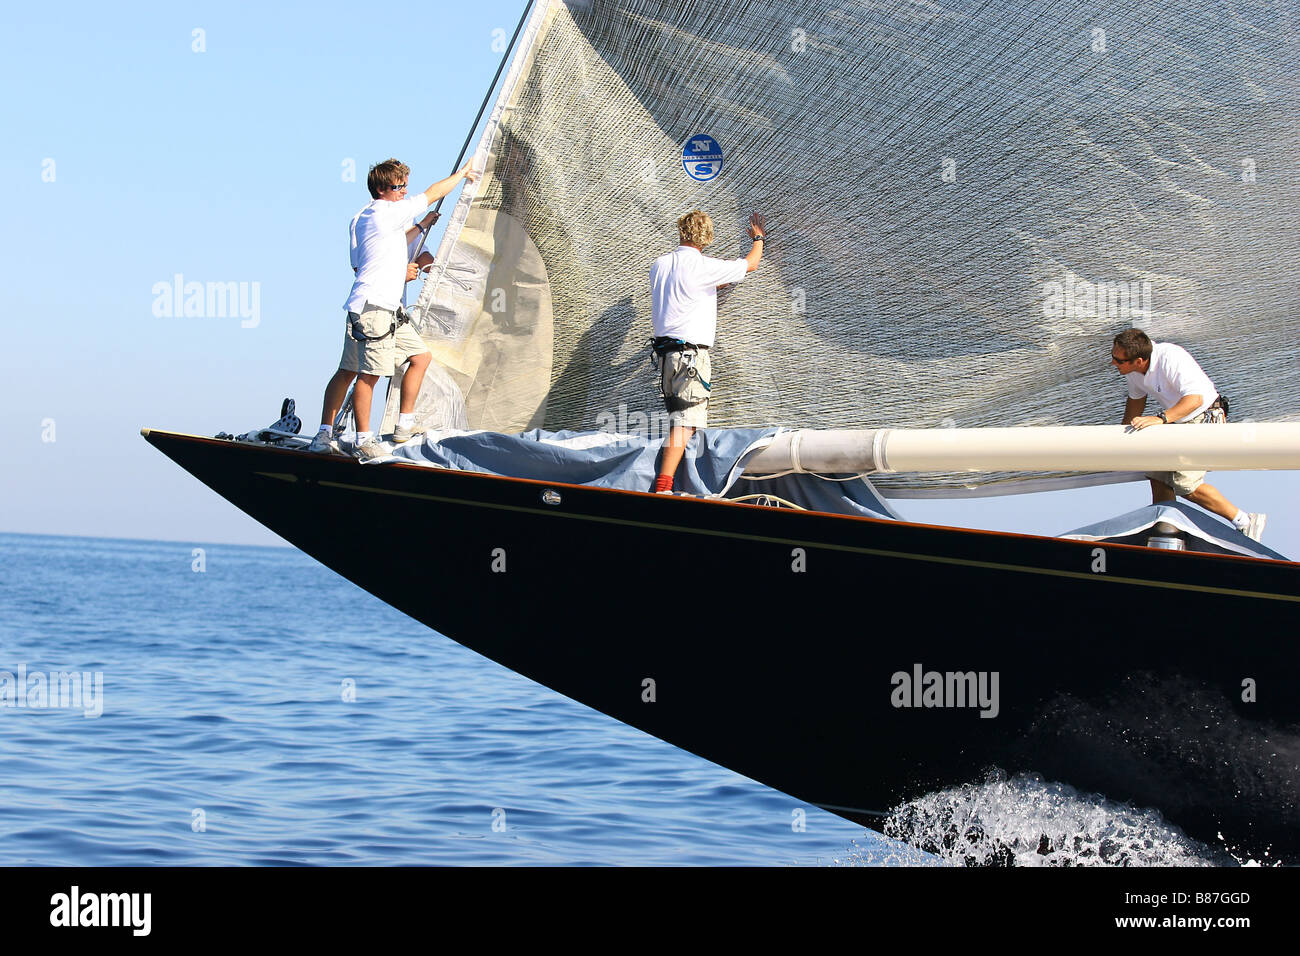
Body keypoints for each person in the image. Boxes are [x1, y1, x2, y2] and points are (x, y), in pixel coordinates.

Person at [308, 157, 477, 458]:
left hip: (385, 310)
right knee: (364, 375)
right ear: (384, 189)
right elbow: (432, 193)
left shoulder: (375, 221)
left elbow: (394, 250)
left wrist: (423, 229)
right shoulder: (383, 212)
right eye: (400, 188)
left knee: (420, 357)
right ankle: (362, 439)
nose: (404, 193)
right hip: (373, 308)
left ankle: (403, 425)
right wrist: (463, 174)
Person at [648, 210, 765, 493]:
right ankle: (664, 487)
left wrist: (718, 280)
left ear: (680, 231)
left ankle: (673, 482)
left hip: (666, 358)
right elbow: (751, 264)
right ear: (707, 237)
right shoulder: (702, 267)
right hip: (690, 358)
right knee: (686, 423)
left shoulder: (659, 265)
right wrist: (758, 237)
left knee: (680, 421)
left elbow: (689, 290)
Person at [1111, 328, 1265, 541]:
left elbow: (1195, 399)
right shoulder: (1133, 371)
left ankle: (1244, 520)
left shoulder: (1171, 356)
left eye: (1118, 360)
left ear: (1138, 360)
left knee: (1185, 485)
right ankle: (1166, 529)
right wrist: (1119, 436)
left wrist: (1161, 419)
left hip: (1205, 416)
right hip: (1178, 420)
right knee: (1158, 476)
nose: (1113, 364)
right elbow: (1136, 400)